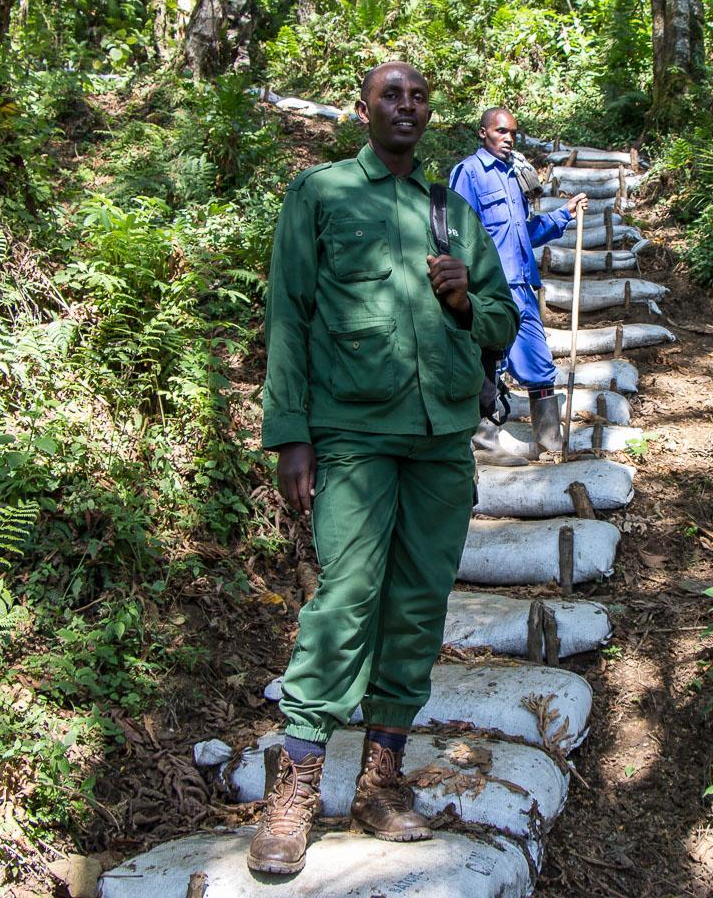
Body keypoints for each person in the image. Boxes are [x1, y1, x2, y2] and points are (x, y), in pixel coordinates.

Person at [250, 62, 518, 875]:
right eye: (390, 96)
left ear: (430, 114)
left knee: (417, 603)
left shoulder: (454, 211)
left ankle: (381, 777)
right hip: (355, 435)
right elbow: (288, 315)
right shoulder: (322, 194)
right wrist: (290, 435)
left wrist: (465, 300)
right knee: (346, 598)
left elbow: (505, 320)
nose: (406, 107)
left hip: (440, 439)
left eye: (419, 97)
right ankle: (295, 789)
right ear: (363, 111)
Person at [449, 108, 587, 463]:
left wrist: (563, 215)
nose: (508, 138)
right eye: (500, 131)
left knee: (540, 363)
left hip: (522, 286)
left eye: (512, 132)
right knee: (490, 361)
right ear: (483, 133)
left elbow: (524, 232)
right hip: (490, 289)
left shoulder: (514, 176)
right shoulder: (469, 174)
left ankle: (549, 442)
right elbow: (454, 234)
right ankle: (485, 444)